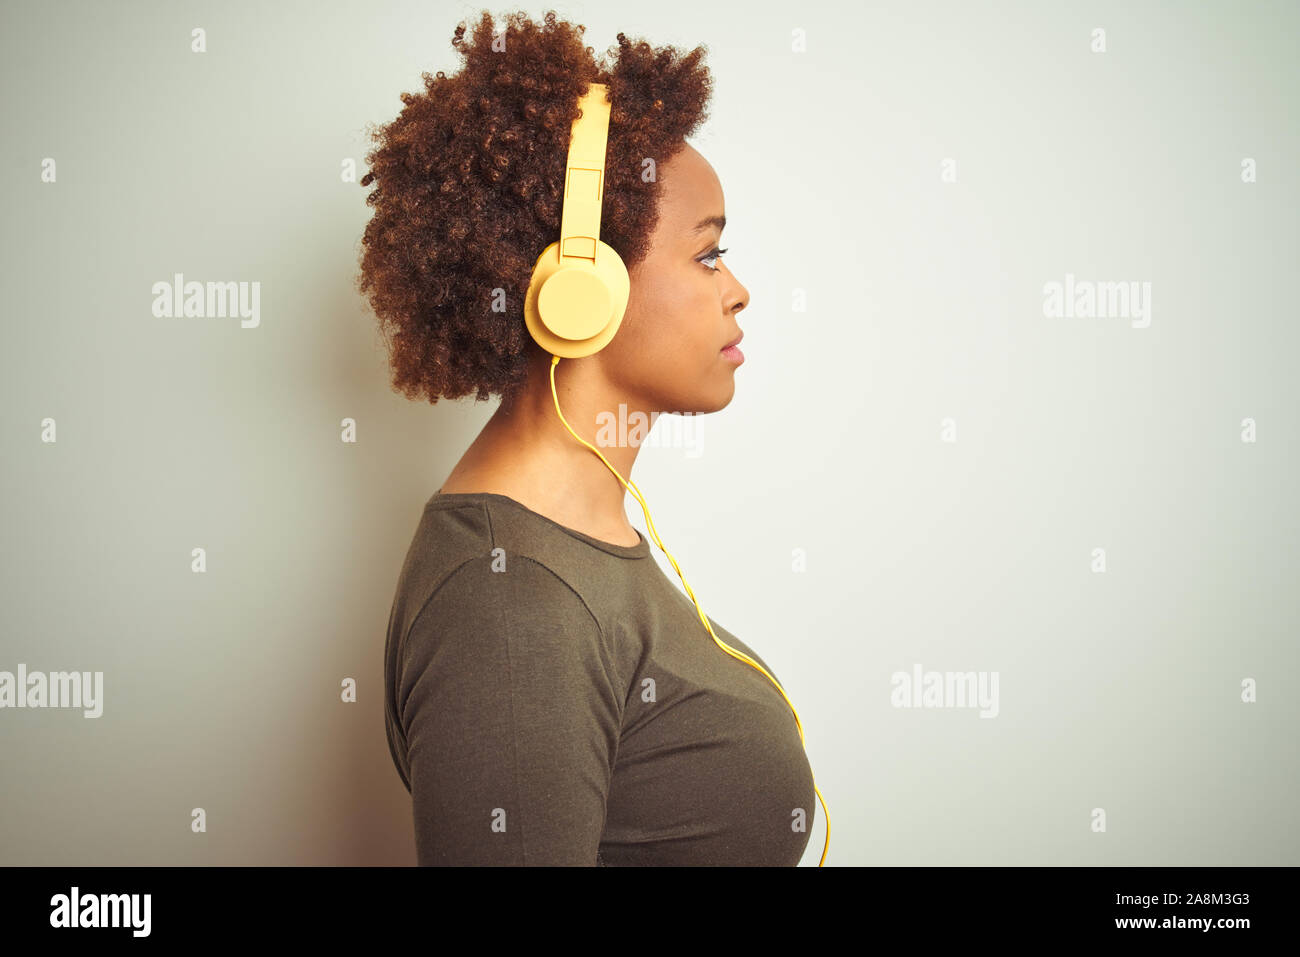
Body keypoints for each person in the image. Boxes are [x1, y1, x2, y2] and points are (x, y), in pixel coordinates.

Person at [358, 9, 818, 865]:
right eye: (709, 255)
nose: (739, 289)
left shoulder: (574, 546)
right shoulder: (508, 599)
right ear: (583, 281)